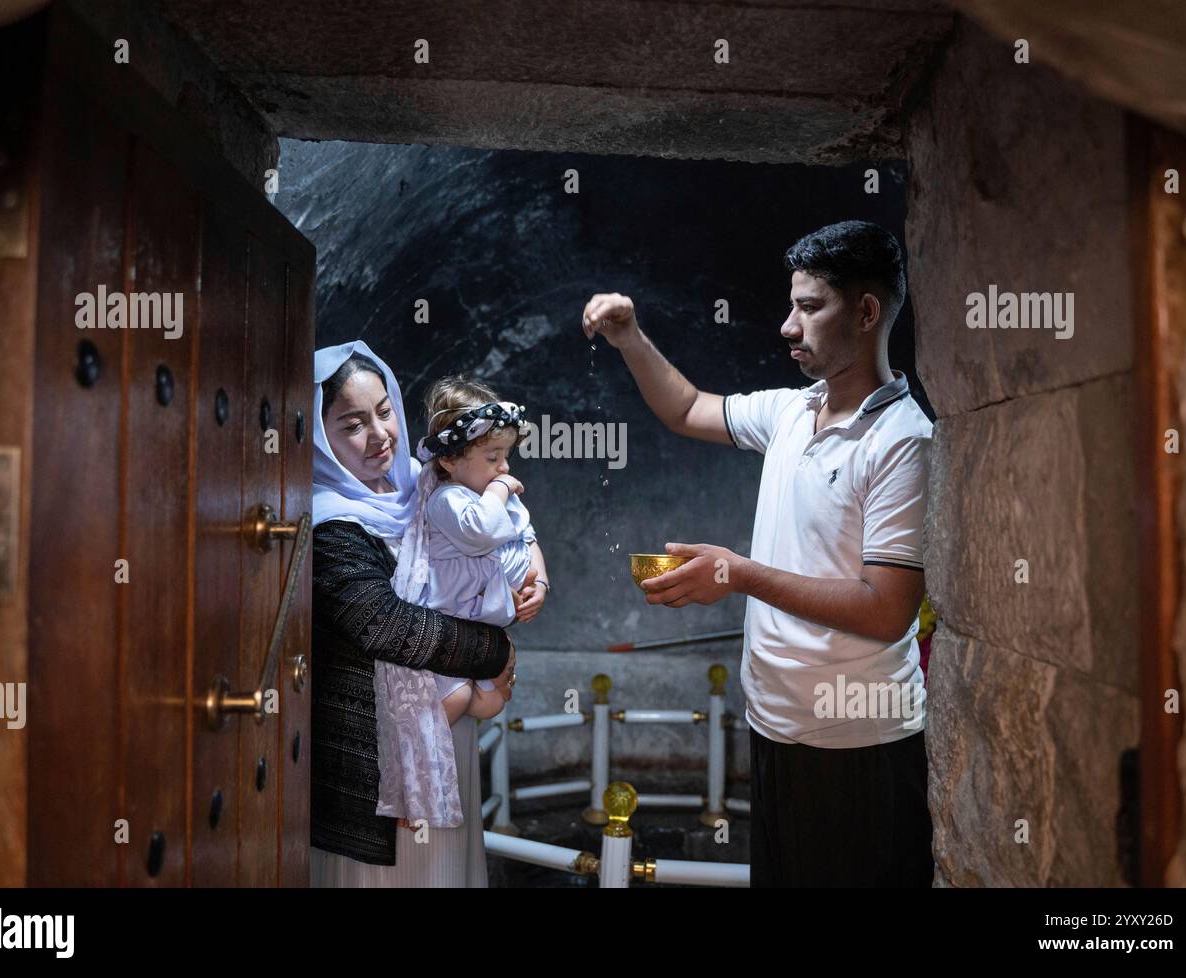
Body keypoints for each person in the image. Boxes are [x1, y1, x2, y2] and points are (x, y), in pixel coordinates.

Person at [581, 220, 935, 887]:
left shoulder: (900, 441)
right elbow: (686, 409)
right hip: (777, 728)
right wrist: (630, 337)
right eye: (791, 305)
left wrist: (737, 573)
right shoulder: (791, 412)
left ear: (864, 312)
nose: (788, 325)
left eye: (809, 306)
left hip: (857, 745)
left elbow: (888, 611)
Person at [310, 340, 517, 888]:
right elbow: (388, 626)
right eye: (352, 424)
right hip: (380, 764)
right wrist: (496, 649)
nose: (379, 435)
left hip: (445, 735)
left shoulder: (421, 490)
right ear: (319, 437)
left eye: (384, 412)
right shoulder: (330, 524)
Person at [375, 374, 549, 830]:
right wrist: (498, 490)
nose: (504, 469)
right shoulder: (449, 501)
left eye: (506, 457)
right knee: (449, 707)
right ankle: (411, 792)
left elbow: (527, 537)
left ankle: (439, 781)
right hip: (449, 630)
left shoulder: (486, 496)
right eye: (492, 458)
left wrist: (542, 583)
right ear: (450, 459)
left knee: (490, 703)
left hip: (486, 621)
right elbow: (485, 530)